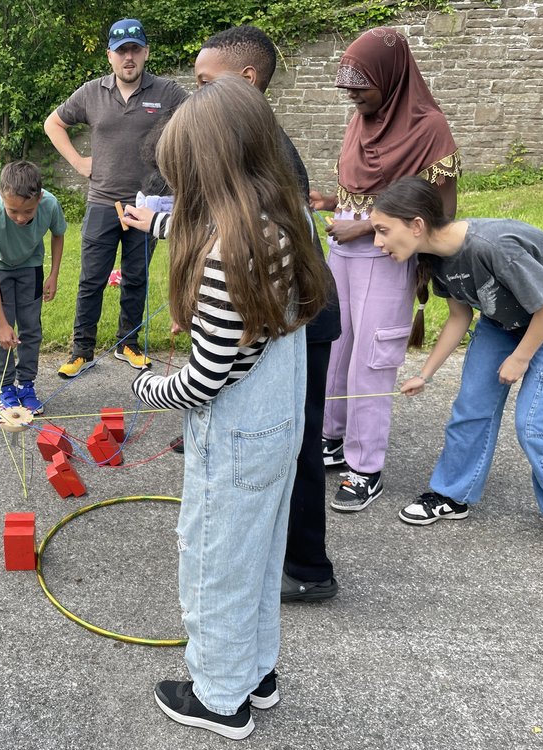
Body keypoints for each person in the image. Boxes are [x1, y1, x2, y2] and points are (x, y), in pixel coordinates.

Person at [132, 76, 328, 740]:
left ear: (209, 170)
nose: (181, 193)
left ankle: (219, 697)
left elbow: (203, 379)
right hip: (279, 432)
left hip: (237, 438)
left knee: (215, 564)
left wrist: (146, 388)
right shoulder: (285, 220)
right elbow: (200, 226)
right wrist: (151, 220)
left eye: (184, 179)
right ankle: (257, 673)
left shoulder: (226, 257)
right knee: (259, 554)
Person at [124, 25, 342, 602]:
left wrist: (154, 384)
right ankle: (274, 569)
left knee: (291, 452)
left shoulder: (264, 159)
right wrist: (162, 230)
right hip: (270, 322)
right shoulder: (254, 160)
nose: (193, 95)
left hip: (293, 329)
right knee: (281, 445)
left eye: (202, 82)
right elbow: (225, 228)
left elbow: (208, 375)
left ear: (245, 82)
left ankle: (307, 565)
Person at [370, 176, 543, 564]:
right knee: (470, 408)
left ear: (415, 225)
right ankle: (451, 494)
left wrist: (522, 357)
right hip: (504, 325)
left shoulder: (490, 246)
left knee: (534, 425)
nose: (378, 242)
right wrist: (424, 375)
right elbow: (459, 317)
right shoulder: (437, 258)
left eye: (382, 230)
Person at [310, 27, 460, 512]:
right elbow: (363, 191)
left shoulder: (429, 127)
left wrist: (367, 227)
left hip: (388, 255)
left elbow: (439, 212)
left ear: (391, 79)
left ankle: (365, 467)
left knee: (372, 361)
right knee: (335, 349)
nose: (352, 98)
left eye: (361, 87)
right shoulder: (362, 119)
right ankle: (331, 439)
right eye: (347, 89)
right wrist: (335, 203)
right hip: (343, 253)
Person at [44, 18, 187, 378]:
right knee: (92, 278)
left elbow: (198, 125)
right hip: (102, 201)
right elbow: (53, 124)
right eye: (121, 51)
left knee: (136, 277)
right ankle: (82, 351)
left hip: (148, 204)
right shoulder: (91, 92)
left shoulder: (167, 92)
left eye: (135, 50)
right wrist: (78, 162)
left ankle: (128, 344)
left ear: (145, 53)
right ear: (110, 55)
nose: (129, 57)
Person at [0, 160, 65, 414]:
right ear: (3, 197)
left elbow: (58, 234)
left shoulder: (50, 205)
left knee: (31, 328)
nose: (20, 218)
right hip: (0, 267)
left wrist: (53, 274)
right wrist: (3, 323)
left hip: (30, 265)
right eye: (13, 210)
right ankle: (5, 389)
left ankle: (26, 385)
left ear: (39, 198)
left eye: (27, 211)